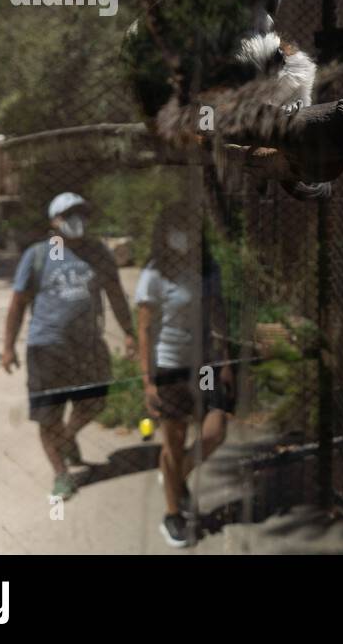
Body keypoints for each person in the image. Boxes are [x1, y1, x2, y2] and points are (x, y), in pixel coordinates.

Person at [3, 192, 136, 500]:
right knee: (49, 414)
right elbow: (17, 304)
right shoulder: (38, 255)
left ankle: (67, 436)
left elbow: (116, 294)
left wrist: (129, 332)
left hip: (89, 345)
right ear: (54, 221)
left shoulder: (99, 253)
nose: (77, 220)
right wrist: (8, 347)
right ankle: (61, 475)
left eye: (81, 213)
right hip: (47, 347)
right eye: (68, 215)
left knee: (95, 401)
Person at [135, 203, 234, 548]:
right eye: (175, 228)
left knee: (217, 428)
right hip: (170, 367)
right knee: (172, 442)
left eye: (188, 227)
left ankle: (176, 480)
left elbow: (218, 315)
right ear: (163, 234)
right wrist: (148, 381)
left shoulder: (208, 269)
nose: (182, 235)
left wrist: (226, 360)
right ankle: (172, 514)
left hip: (205, 366)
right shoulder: (154, 274)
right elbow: (145, 331)